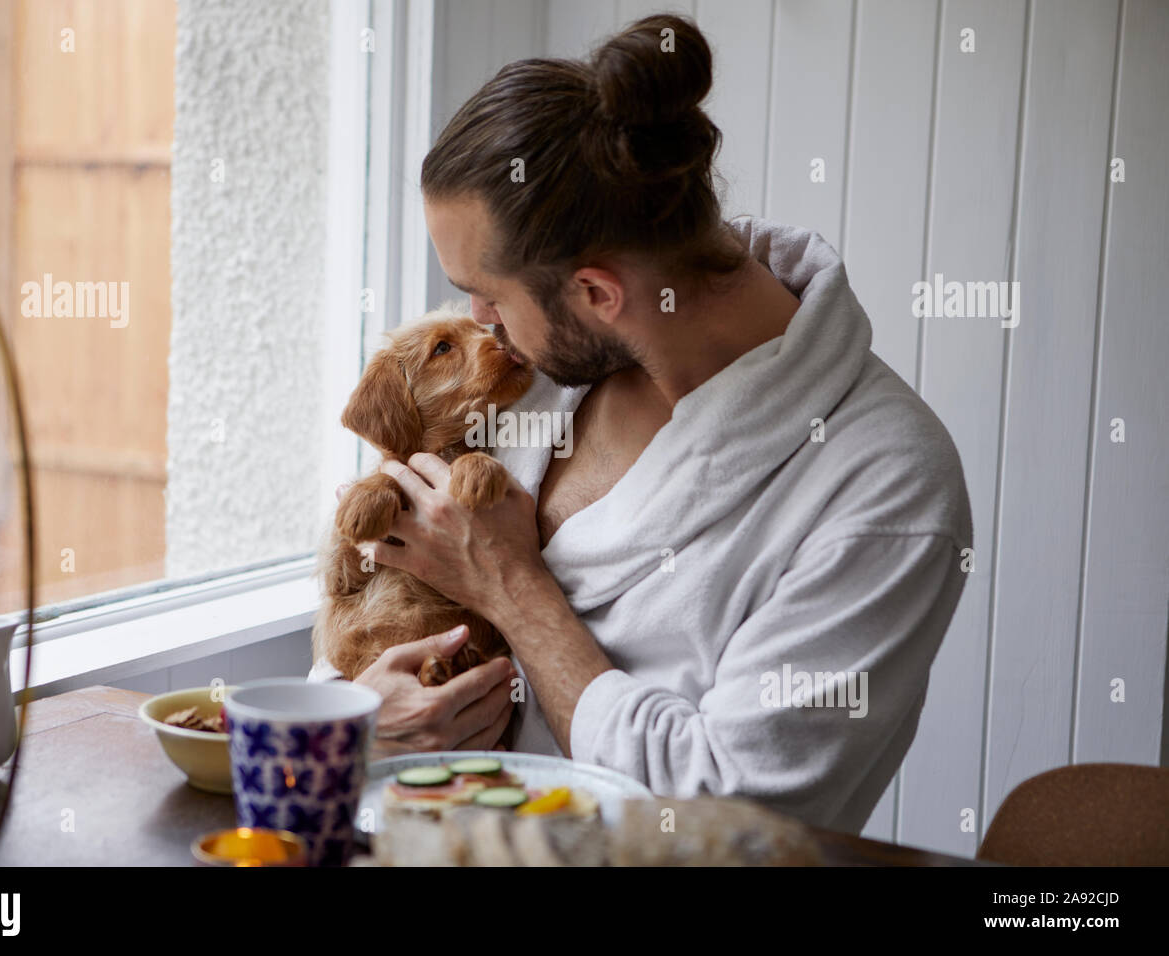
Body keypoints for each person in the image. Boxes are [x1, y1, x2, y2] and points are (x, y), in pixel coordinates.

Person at [310, 13, 972, 834]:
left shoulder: (885, 486)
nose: (478, 322)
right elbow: (380, 591)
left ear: (595, 294)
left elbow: (732, 814)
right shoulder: (539, 378)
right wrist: (357, 715)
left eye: (489, 294)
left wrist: (516, 592)